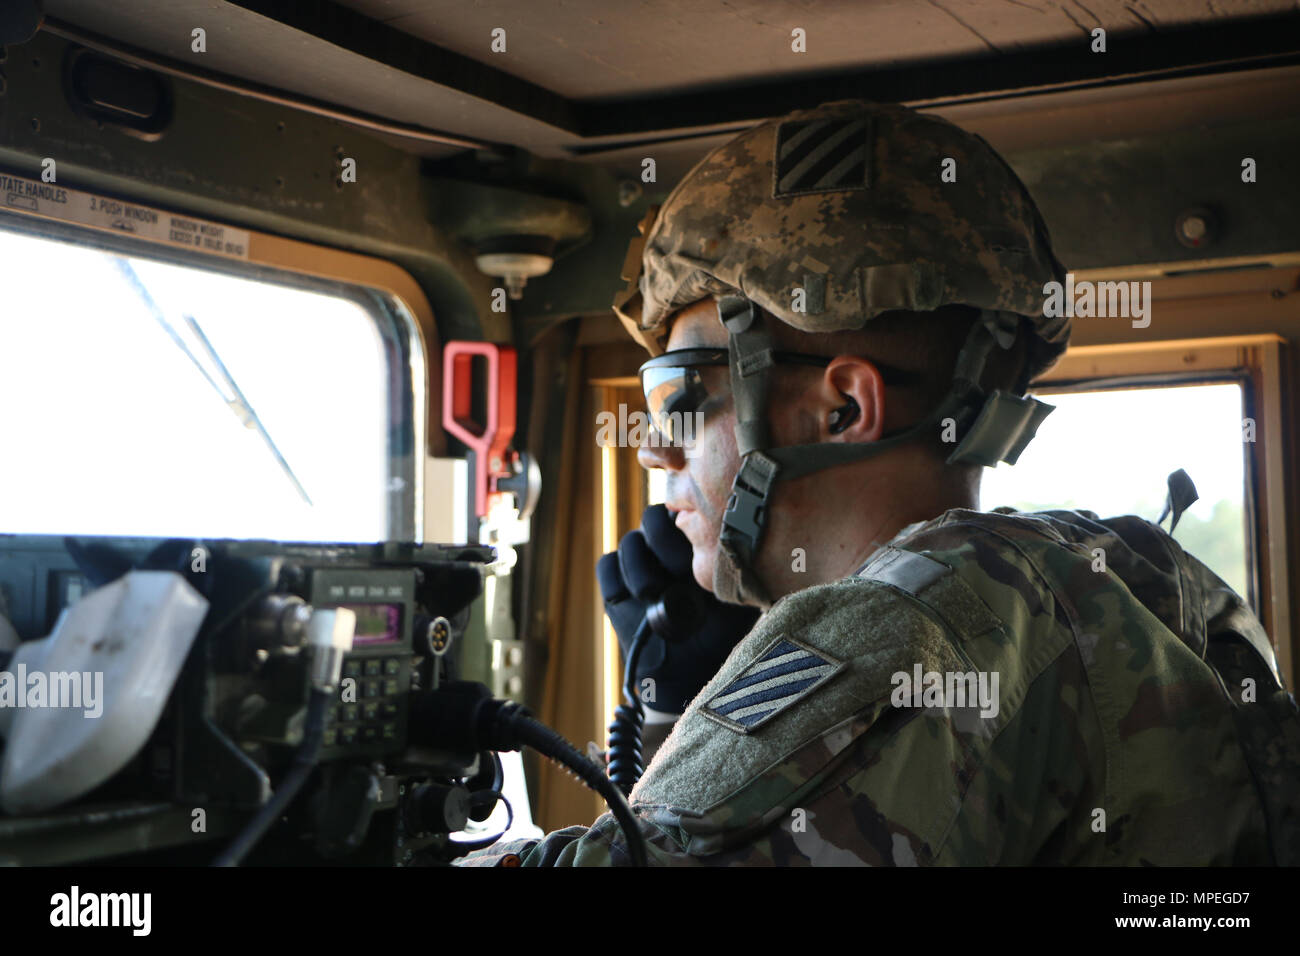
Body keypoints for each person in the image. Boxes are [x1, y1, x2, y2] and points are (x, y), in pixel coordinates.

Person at [455, 99, 1297, 866]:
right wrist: (691, 703)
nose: (653, 453)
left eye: (678, 397)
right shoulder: (1127, 577)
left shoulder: (918, 619)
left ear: (844, 407)